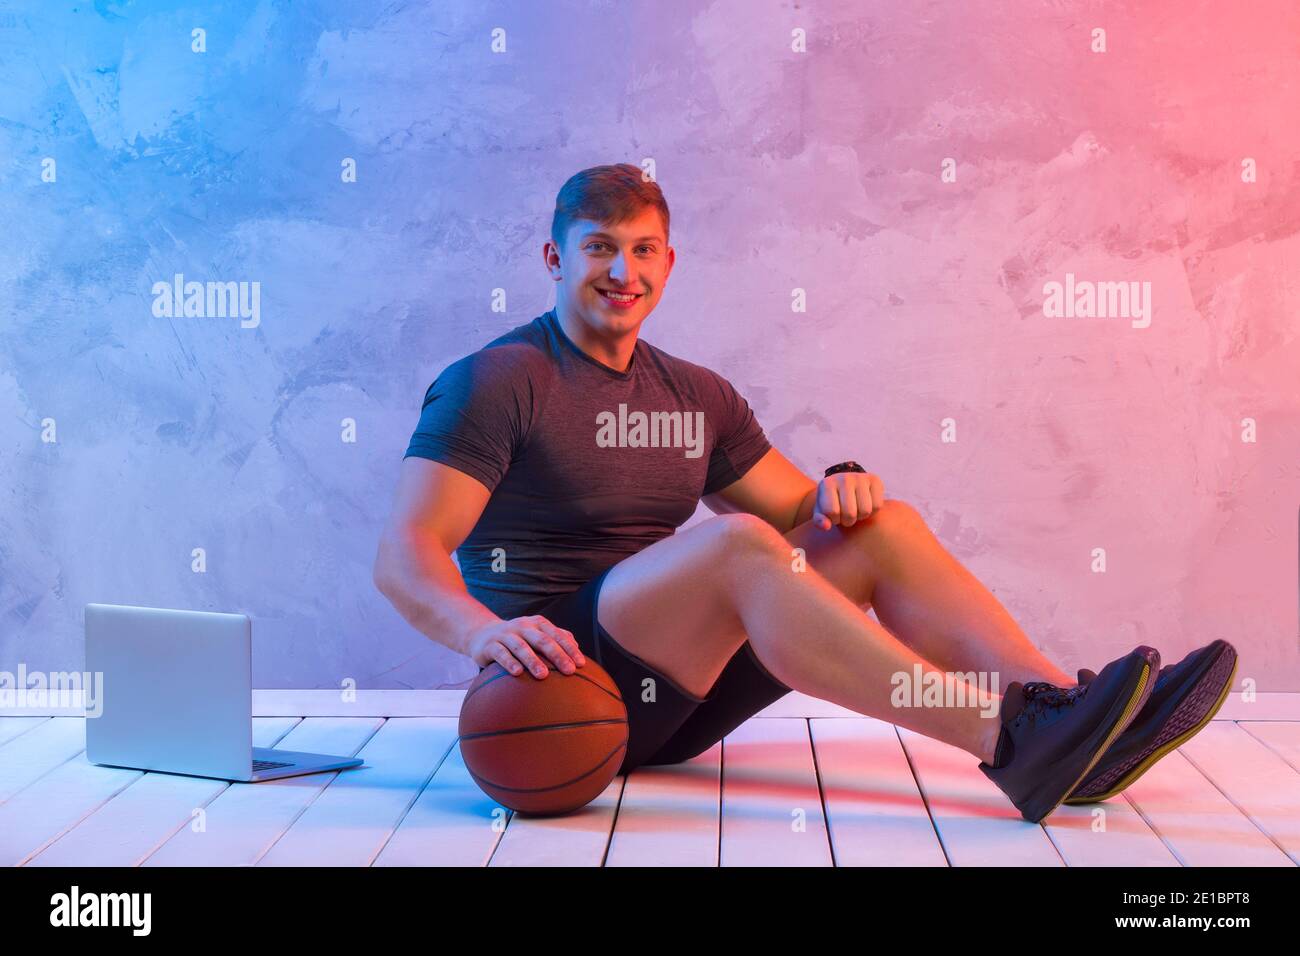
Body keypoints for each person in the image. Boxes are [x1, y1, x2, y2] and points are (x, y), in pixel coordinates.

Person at [374, 163, 1237, 823]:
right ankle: (1002, 738)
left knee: (881, 527)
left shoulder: (696, 395)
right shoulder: (498, 382)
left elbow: (803, 515)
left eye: (641, 249)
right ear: (556, 257)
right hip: (564, 685)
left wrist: (843, 487)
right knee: (735, 546)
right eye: (599, 246)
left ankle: (1068, 715)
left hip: (677, 701)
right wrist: (486, 635)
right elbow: (403, 555)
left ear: (667, 265)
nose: (621, 270)